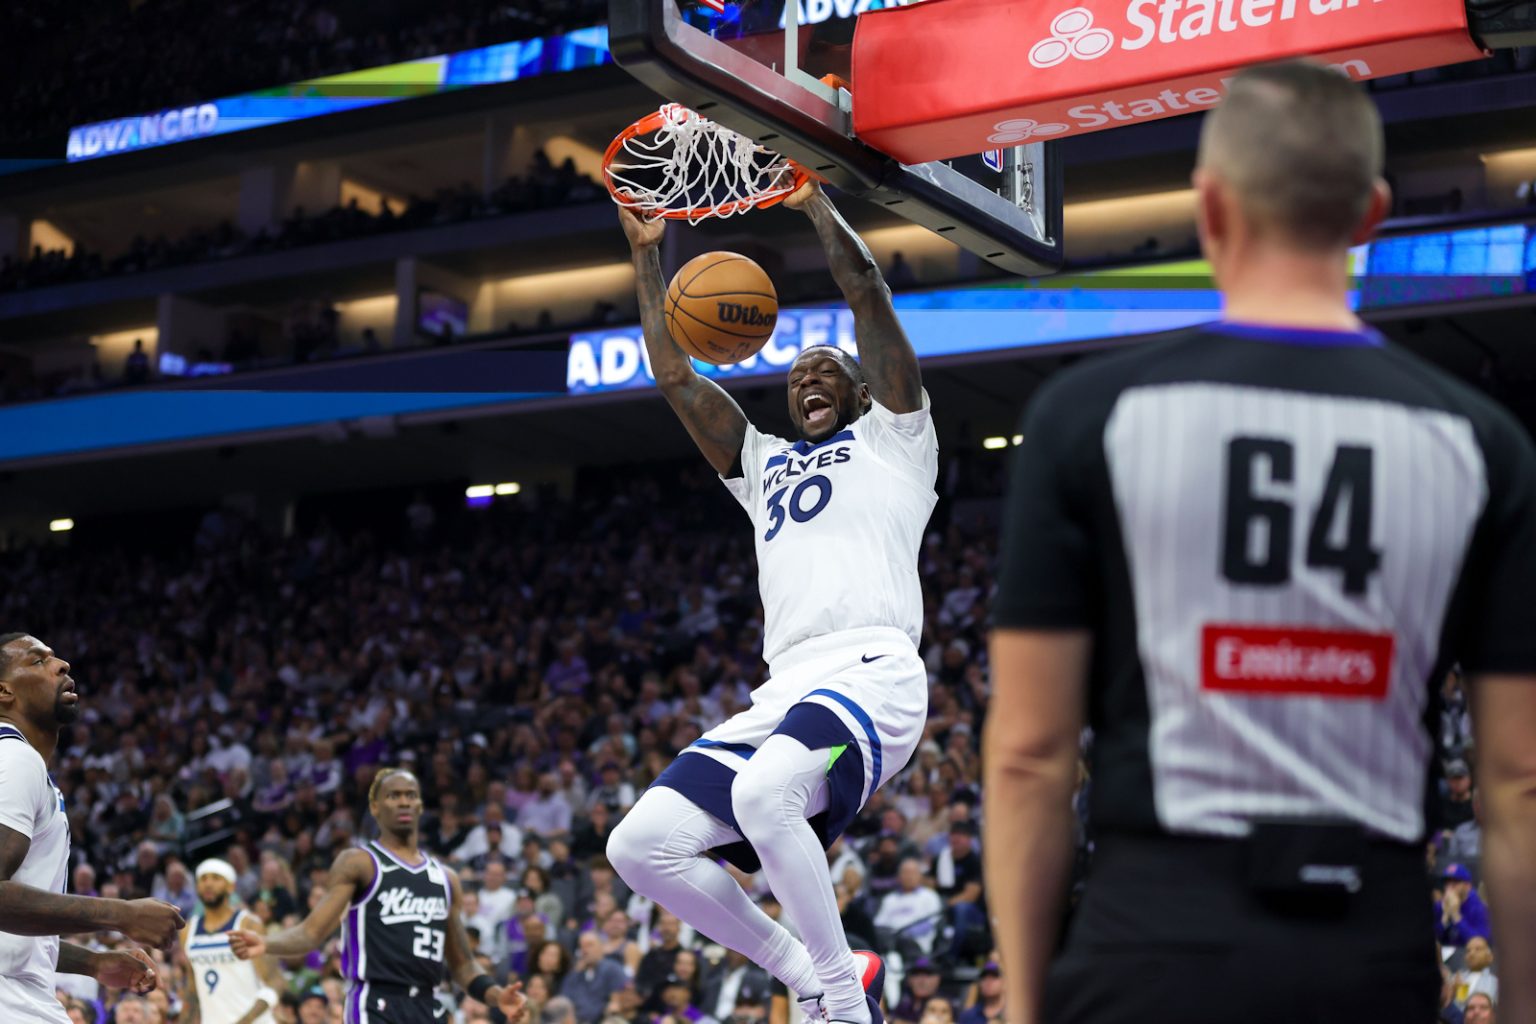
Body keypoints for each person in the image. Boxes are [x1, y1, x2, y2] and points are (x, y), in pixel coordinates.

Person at [986, 60, 1536, 1024]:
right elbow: (1518, 782)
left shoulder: (1091, 417)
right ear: (1369, 212)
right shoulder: (1483, 445)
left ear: (1211, 207)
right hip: (1369, 951)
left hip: (1147, 944)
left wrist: (1030, 1006)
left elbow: (1030, 755)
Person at [610, 176, 932, 1024]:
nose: (809, 379)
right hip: (788, 685)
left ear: (865, 392)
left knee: (762, 798)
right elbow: (677, 378)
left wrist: (812, 205)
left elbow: (866, 292)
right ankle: (804, 967)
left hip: (873, 668)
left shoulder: (897, 438)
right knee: (639, 845)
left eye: (827, 370)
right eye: (796, 377)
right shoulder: (763, 464)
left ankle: (838, 991)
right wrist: (648, 259)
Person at [230, 767, 526, 1024]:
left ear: (421, 804)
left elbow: (462, 964)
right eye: (393, 795)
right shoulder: (359, 863)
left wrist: (495, 994)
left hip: (426, 1003)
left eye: (410, 794)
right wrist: (267, 943)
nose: (403, 801)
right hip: (375, 1001)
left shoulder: (445, 878)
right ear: (375, 806)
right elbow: (311, 932)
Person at [0, 633, 182, 1022]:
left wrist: (92, 963)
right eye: (37, 661)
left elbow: (11, 933)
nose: (62, 664)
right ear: (3, 692)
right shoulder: (14, 759)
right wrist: (120, 914)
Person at [183, 857, 285, 1024]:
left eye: (216, 878)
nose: (208, 884)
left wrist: (245, 1021)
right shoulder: (188, 931)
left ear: (231, 887)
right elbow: (192, 989)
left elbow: (276, 981)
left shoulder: (248, 924)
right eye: (203, 879)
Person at [1438, 863, 1493, 946]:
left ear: (1468, 886)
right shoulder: (1440, 906)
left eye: (1455, 883)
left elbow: (1480, 943)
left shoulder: (1480, 908)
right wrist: (1445, 916)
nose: (1449, 888)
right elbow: (1435, 939)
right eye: (1447, 883)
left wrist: (1456, 916)